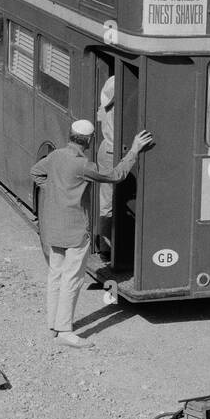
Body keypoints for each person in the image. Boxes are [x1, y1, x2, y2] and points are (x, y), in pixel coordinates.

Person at [31, 120, 153, 348]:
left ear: (71, 135)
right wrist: (135, 149)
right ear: (88, 140)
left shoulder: (55, 156)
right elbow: (117, 175)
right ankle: (66, 331)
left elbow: (36, 172)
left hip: (54, 228)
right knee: (72, 280)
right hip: (75, 231)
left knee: (55, 276)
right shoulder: (83, 165)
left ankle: (53, 326)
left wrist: (55, 192)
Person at [95, 75, 116, 256]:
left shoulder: (110, 83)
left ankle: (106, 244)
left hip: (107, 148)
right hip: (112, 151)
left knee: (107, 199)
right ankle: (106, 246)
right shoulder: (119, 84)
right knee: (108, 200)